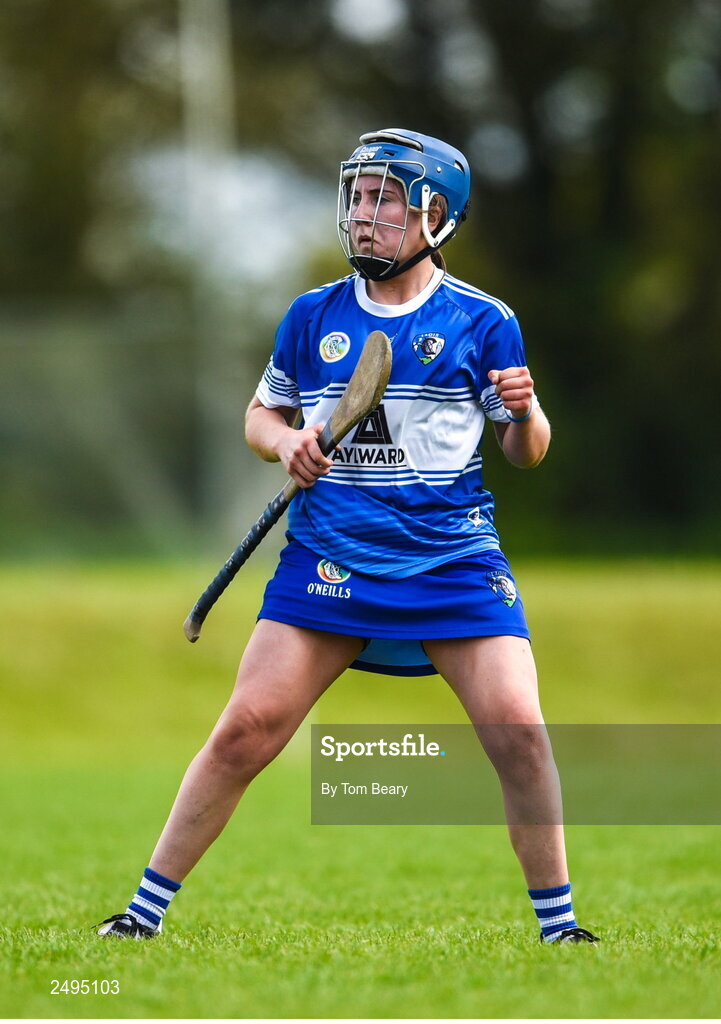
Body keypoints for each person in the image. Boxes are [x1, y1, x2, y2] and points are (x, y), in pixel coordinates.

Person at [98, 129, 599, 945]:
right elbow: (264, 413)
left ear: (435, 214)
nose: (365, 216)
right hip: (330, 555)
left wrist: (527, 410)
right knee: (244, 730)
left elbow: (524, 451)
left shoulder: (484, 321)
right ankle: (142, 915)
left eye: (386, 199)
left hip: (451, 558)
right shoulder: (311, 315)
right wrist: (284, 443)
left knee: (519, 732)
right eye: (358, 197)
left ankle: (560, 929)